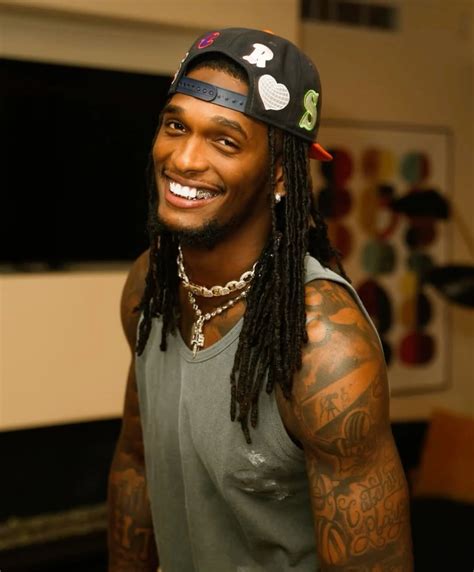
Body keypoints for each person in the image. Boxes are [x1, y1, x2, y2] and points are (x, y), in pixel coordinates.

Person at [108, 27, 413, 571]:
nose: (184, 159)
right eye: (176, 126)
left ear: (278, 175)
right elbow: (136, 463)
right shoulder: (149, 286)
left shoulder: (324, 347)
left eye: (224, 141)